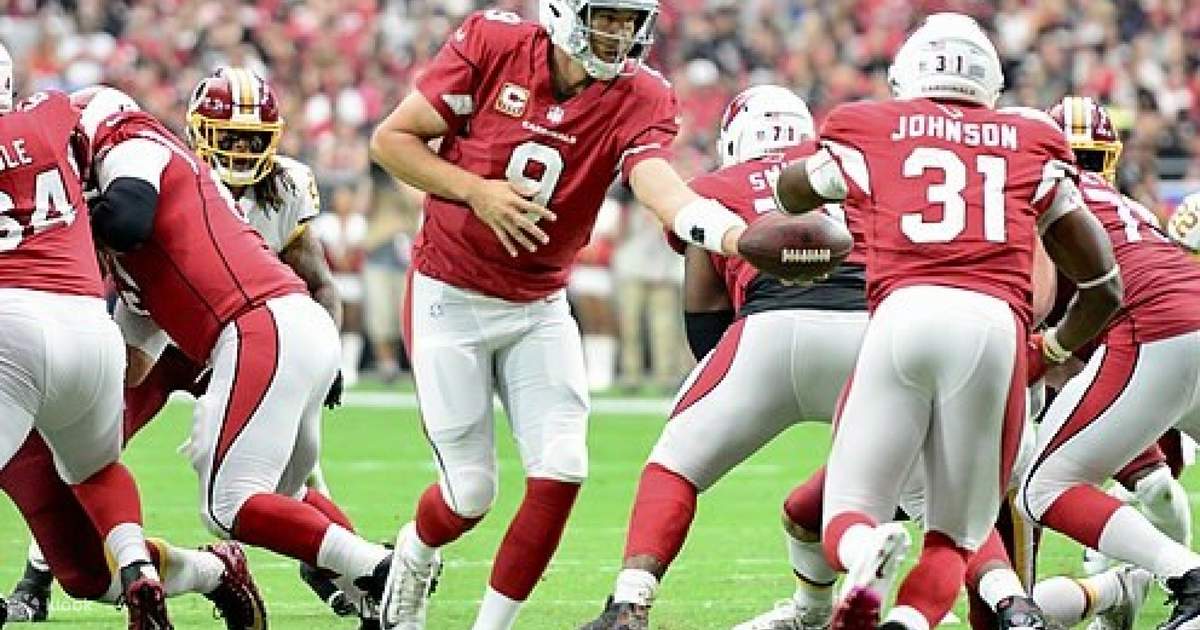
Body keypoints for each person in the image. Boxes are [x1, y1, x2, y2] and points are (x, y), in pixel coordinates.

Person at [368, 1, 753, 628]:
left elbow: (656, 182)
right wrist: (475, 190)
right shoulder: (495, 44)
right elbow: (391, 141)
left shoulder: (640, 94)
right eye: (608, 15)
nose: (620, 32)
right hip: (450, 291)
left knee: (563, 468)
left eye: (630, 20)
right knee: (470, 493)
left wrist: (726, 233)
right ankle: (414, 552)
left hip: (539, 302)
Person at [772, 13, 1121, 630]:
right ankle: (909, 620)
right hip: (994, 329)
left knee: (847, 512)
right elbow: (1104, 285)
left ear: (906, 73)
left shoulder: (871, 124)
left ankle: (864, 550)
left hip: (904, 314)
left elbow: (791, 193)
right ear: (990, 81)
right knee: (954, 538)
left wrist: (816, 183)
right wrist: (1054, 347)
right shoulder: (1030, 136)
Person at [73, 85, 394, 625]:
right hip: (273, 330)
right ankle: (375, 597)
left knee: (227, 505)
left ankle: (383, 567)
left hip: (255, 328)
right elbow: (133, 365)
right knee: (281, 494)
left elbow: (126, 219)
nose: (242, 150)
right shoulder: (152, 234)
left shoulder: (139, 157)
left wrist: (70, 229)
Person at [576, 84, 867, 630]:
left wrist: (734, 382)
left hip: (764, 329)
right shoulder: (849, 172)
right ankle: (1002, 596)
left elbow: (704, 311)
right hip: (869, 331)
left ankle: (630, 602)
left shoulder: (716, 186)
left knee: (673, 465)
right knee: (937, 487)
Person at [0, 49, 172, 628]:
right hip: (91, 325)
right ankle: (137, 565)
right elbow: (97, 115)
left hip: (11, 326)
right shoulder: (50, 113)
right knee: (96, 470)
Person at [1017, 95, 1200, 630]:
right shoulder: (1128, 205)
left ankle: (1186, 576)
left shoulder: (1042, 192)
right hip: (1182, 319)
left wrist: (1038, 353)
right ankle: (1126, 586)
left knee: (1041, 488)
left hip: (1152, 331)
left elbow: (1039, 303)